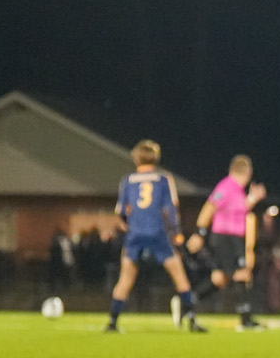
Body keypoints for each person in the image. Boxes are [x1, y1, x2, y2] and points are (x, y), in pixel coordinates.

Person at [106, 140, 202, 333]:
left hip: (135, 234)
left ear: (136, 158)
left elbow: (121, 212)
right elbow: (170, 209)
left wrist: (130, 225)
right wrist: (176, 233)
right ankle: (192, 319)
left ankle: (112, 322)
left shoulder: (128, 180)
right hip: (158, 233)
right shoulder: (163, 179)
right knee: (179, 275)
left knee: (125, 279)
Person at [185, 155, 265, 331]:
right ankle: (246, 321)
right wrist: (199, 233)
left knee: (219, 278)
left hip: (230, 238)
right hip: (225, 238)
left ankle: (187, 300)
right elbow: (209, 207)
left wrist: (253, 198)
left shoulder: (237, 190)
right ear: (247, 173)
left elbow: (238, 209)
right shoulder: (227, 186)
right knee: (242, 273)